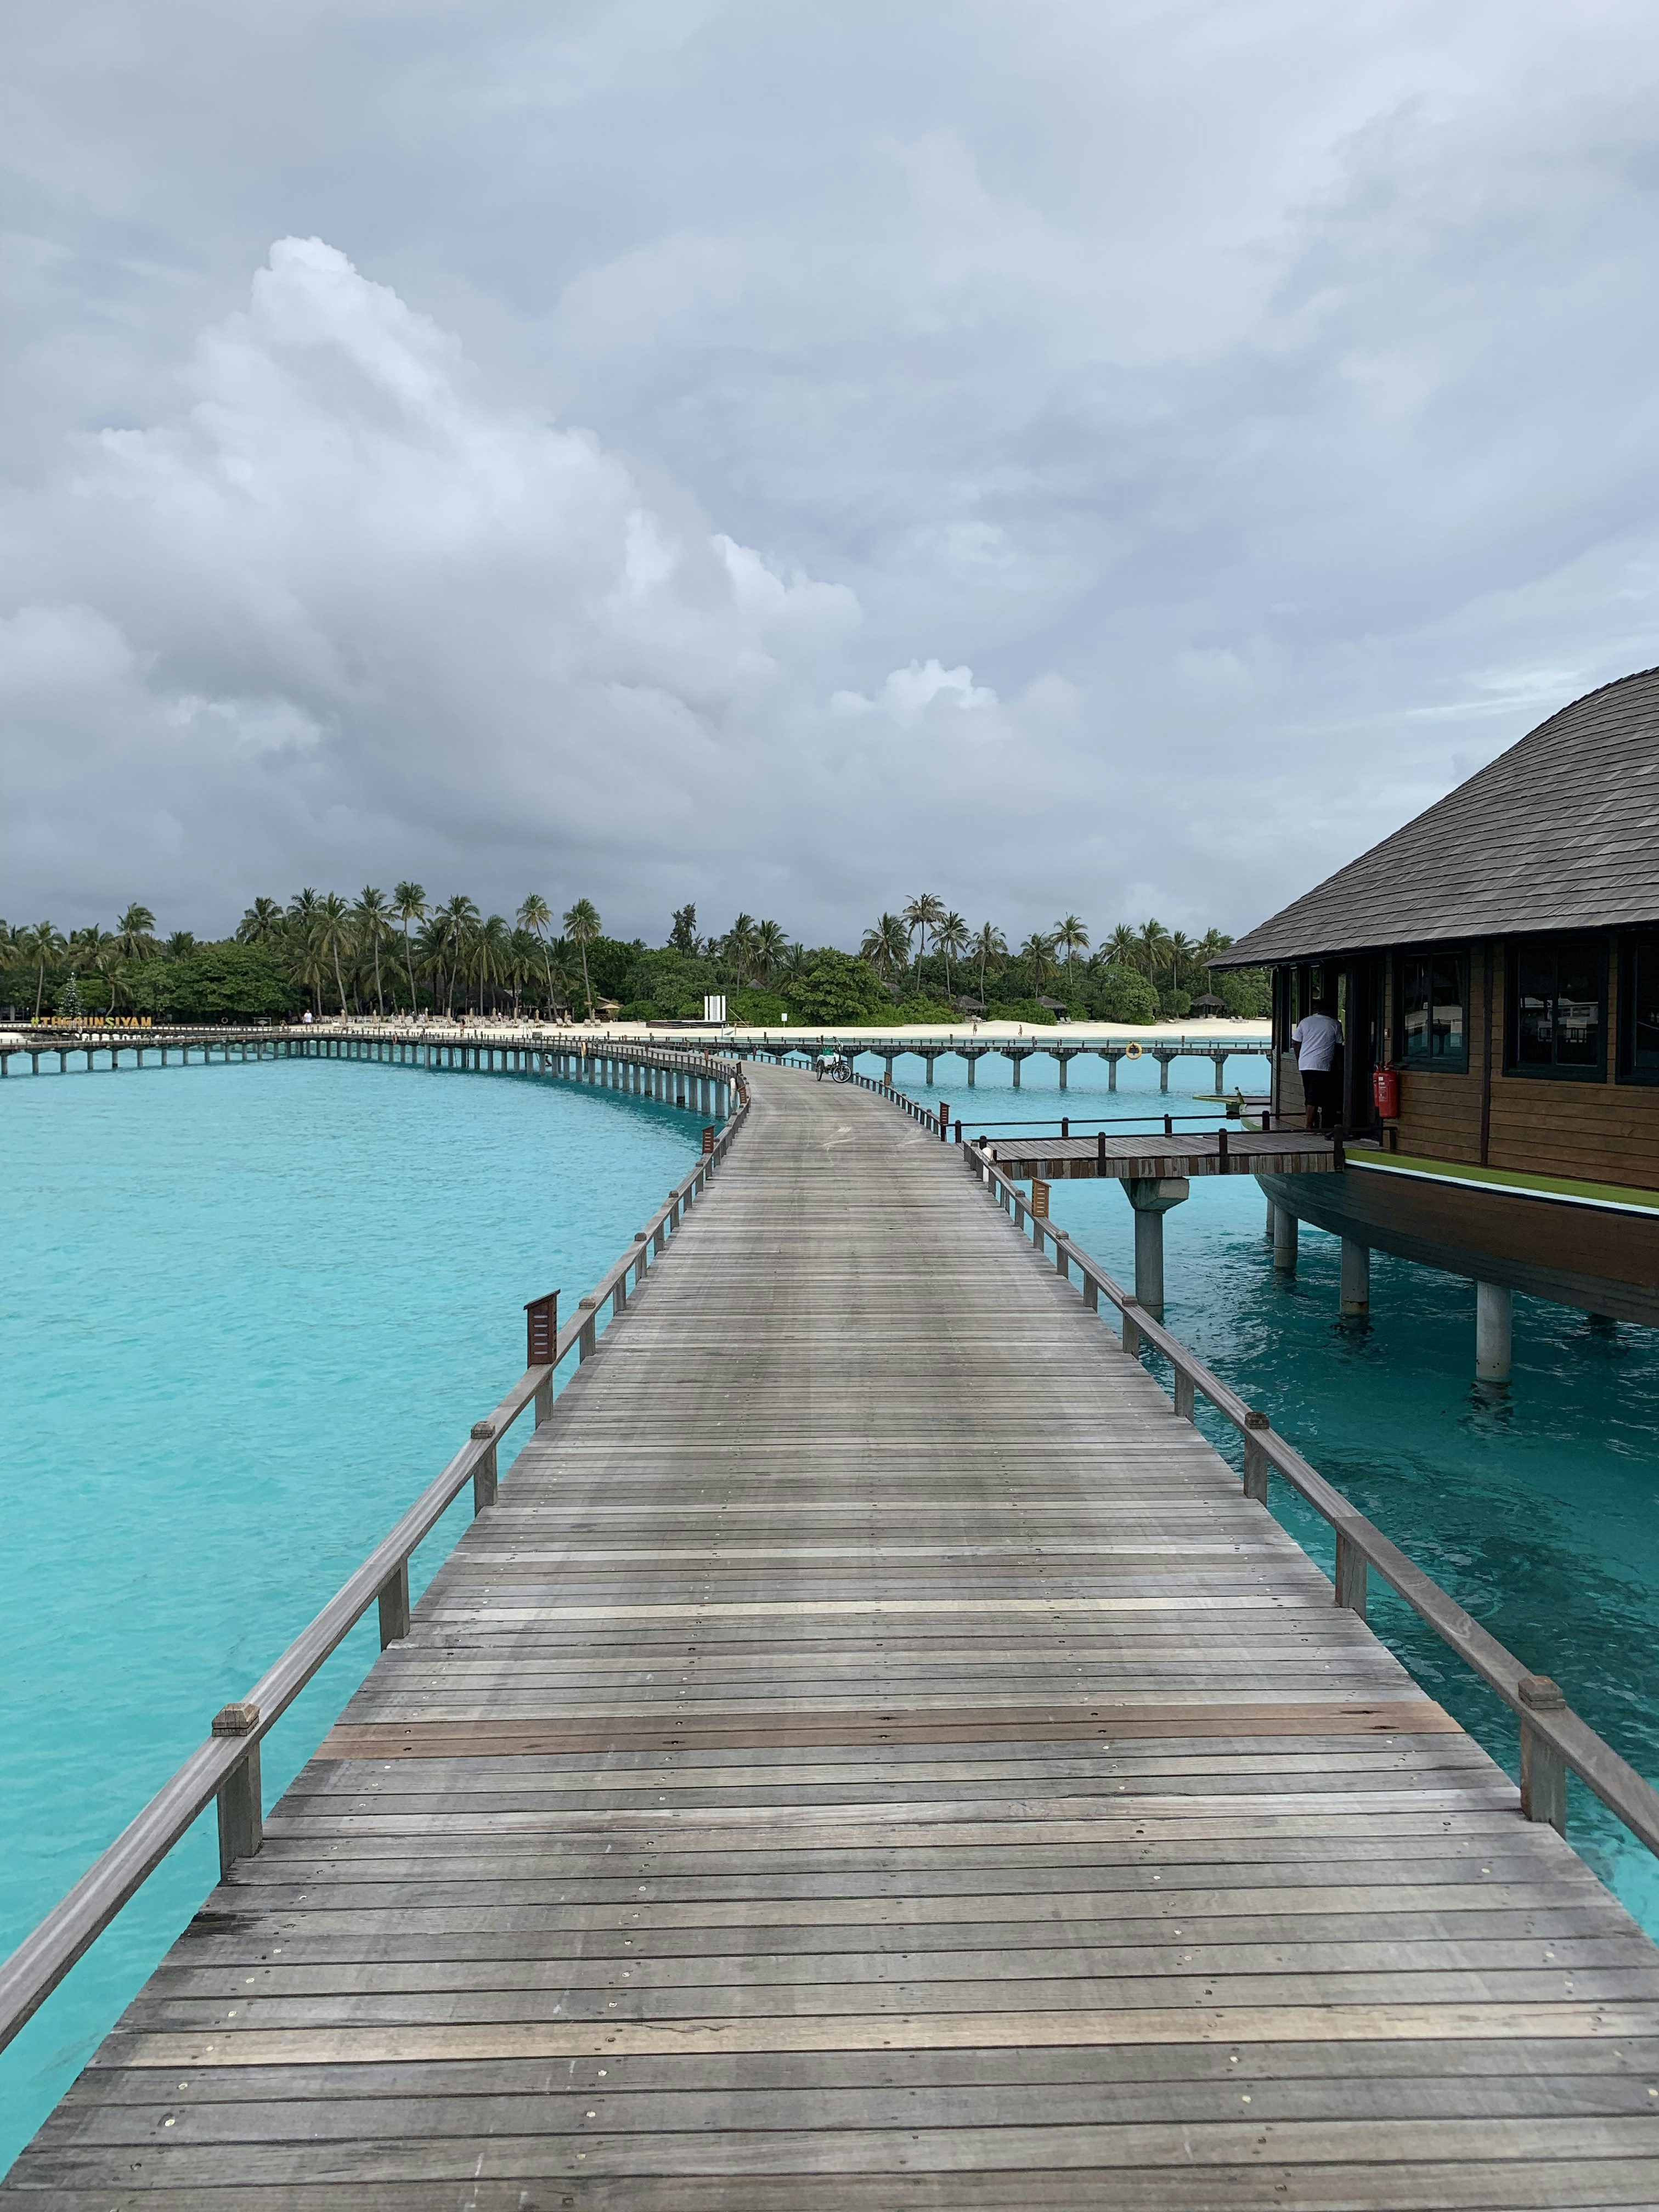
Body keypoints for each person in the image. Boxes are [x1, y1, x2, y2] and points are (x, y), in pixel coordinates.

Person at [1292, 995, 1343, 1131]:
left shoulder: (1305, 1022)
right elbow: (1339, 1045)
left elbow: (1296, 1042)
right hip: (1322, 1064)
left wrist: (1299, 1059)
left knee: (1309, 1093)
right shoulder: (1335, 1024)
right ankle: (1309, 1127)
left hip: (1305, 1064)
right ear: (1329, 1010)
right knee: (1315, 1096)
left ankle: (1313, 1124)